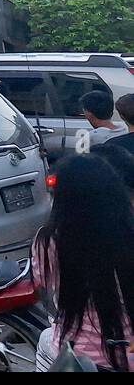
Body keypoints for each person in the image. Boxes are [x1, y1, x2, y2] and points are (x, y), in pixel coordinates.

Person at [32, 153, 134, 371]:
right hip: (129, 355)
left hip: (80, 356)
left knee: (46, 339)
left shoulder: (48, 240)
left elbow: (42, 284)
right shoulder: (128, 234)